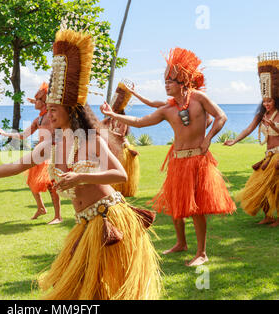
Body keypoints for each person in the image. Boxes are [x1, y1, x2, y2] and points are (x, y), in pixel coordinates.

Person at [0, 26, 162, 300]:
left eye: (54, 109)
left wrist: (82, 178)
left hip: (109, 219)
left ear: (71, 111)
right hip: (85, 223)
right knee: (83, 290)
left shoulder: (91, 140)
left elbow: (119, 175)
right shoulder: (54, 144)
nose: (49, 114)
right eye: (48, 109)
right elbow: (17, 165)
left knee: (96, 290)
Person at [101, 47, 236, 266]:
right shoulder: (167, 109)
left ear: (182, 82)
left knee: (197, 208)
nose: (166, 85)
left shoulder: (199, 98)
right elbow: (140, 121)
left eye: (170, 81)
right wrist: (112, 114)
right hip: (178, 160)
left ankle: (201, 252)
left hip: (198, 161)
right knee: (176, 204)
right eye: (165, 81)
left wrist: (208, 138)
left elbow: (221, 116)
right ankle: (181, 243)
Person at [0, 83, 62, 224]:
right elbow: (24, 135)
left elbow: (60, 132)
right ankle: (41, 208)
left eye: (37, 100)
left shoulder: (52, 116)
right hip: (40, 154)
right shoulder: (38, 119)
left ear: (44, 102)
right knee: (31, 181)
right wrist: (4, 133)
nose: (34, 102)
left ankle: (58, 216)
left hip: (52, 153)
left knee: (51, 185)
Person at [224, 52, 279, 227]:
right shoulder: (262, 114)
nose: (266, 104)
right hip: (268, 156)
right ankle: (269, 216)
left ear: (276, 100)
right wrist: (234, 140)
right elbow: (248, 129)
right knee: (259, 185)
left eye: (269, 101)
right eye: (264, 101)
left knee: (276, 188)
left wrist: (274, 125)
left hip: (278, 156)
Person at [101, 80, 140, 197]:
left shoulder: (123, 118)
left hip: (122, 149)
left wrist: (107, 133)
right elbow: (96, 125)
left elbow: (121, 135)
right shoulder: (109, 119)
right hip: (113, 149)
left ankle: (122, 191)